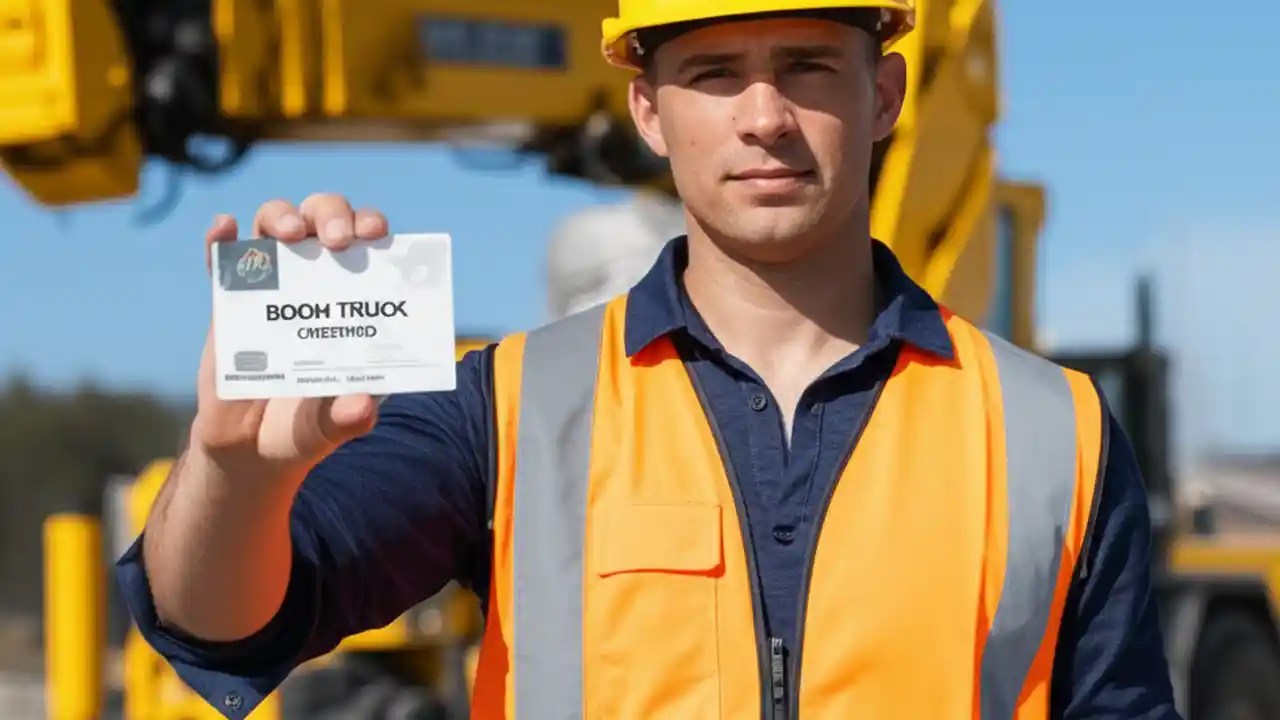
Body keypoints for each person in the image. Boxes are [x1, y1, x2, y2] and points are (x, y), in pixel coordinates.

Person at [116, 1, 1183, 718]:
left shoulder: (1054, 431)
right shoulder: (509, 408)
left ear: (887, 95)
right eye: (713, 74)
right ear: (647, 110)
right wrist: (236, 473)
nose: (762, 118)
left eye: (806, 67)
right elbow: (225, 624)